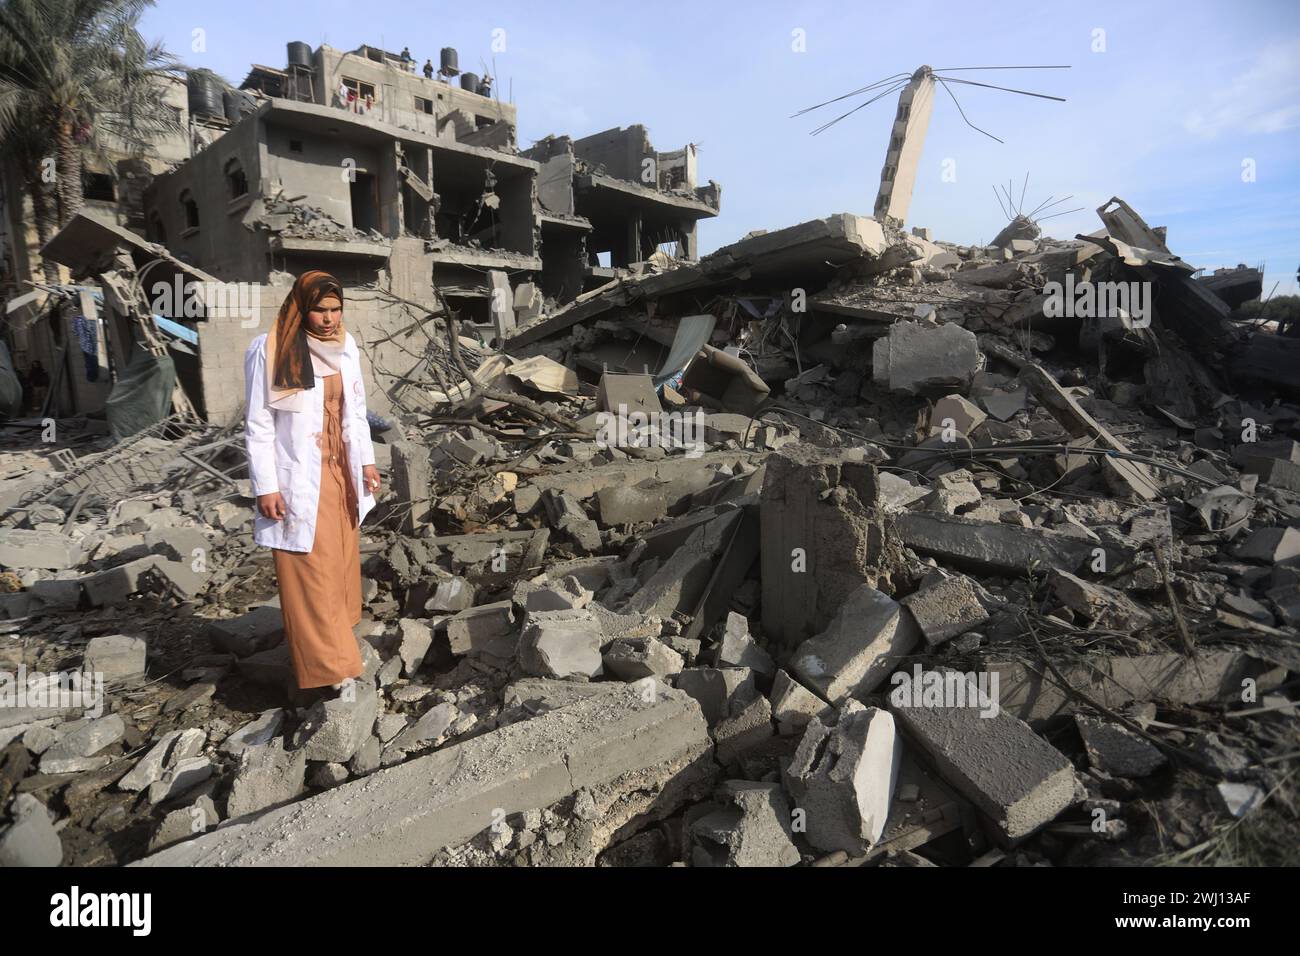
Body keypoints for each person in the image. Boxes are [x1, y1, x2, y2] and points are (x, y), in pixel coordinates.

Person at [244, 271, 382, 696]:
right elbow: (258, 424)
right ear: (301, 308)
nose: (328, 319)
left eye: (335, 309)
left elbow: (355, 411)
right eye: (319, 310)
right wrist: (266, 487)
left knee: (340, 559)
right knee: (311, 568)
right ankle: (328, 671)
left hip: (340, 467)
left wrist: (368, 463)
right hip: (299, 474)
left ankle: (339, 642)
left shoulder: (346, 345)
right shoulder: (270, 349)